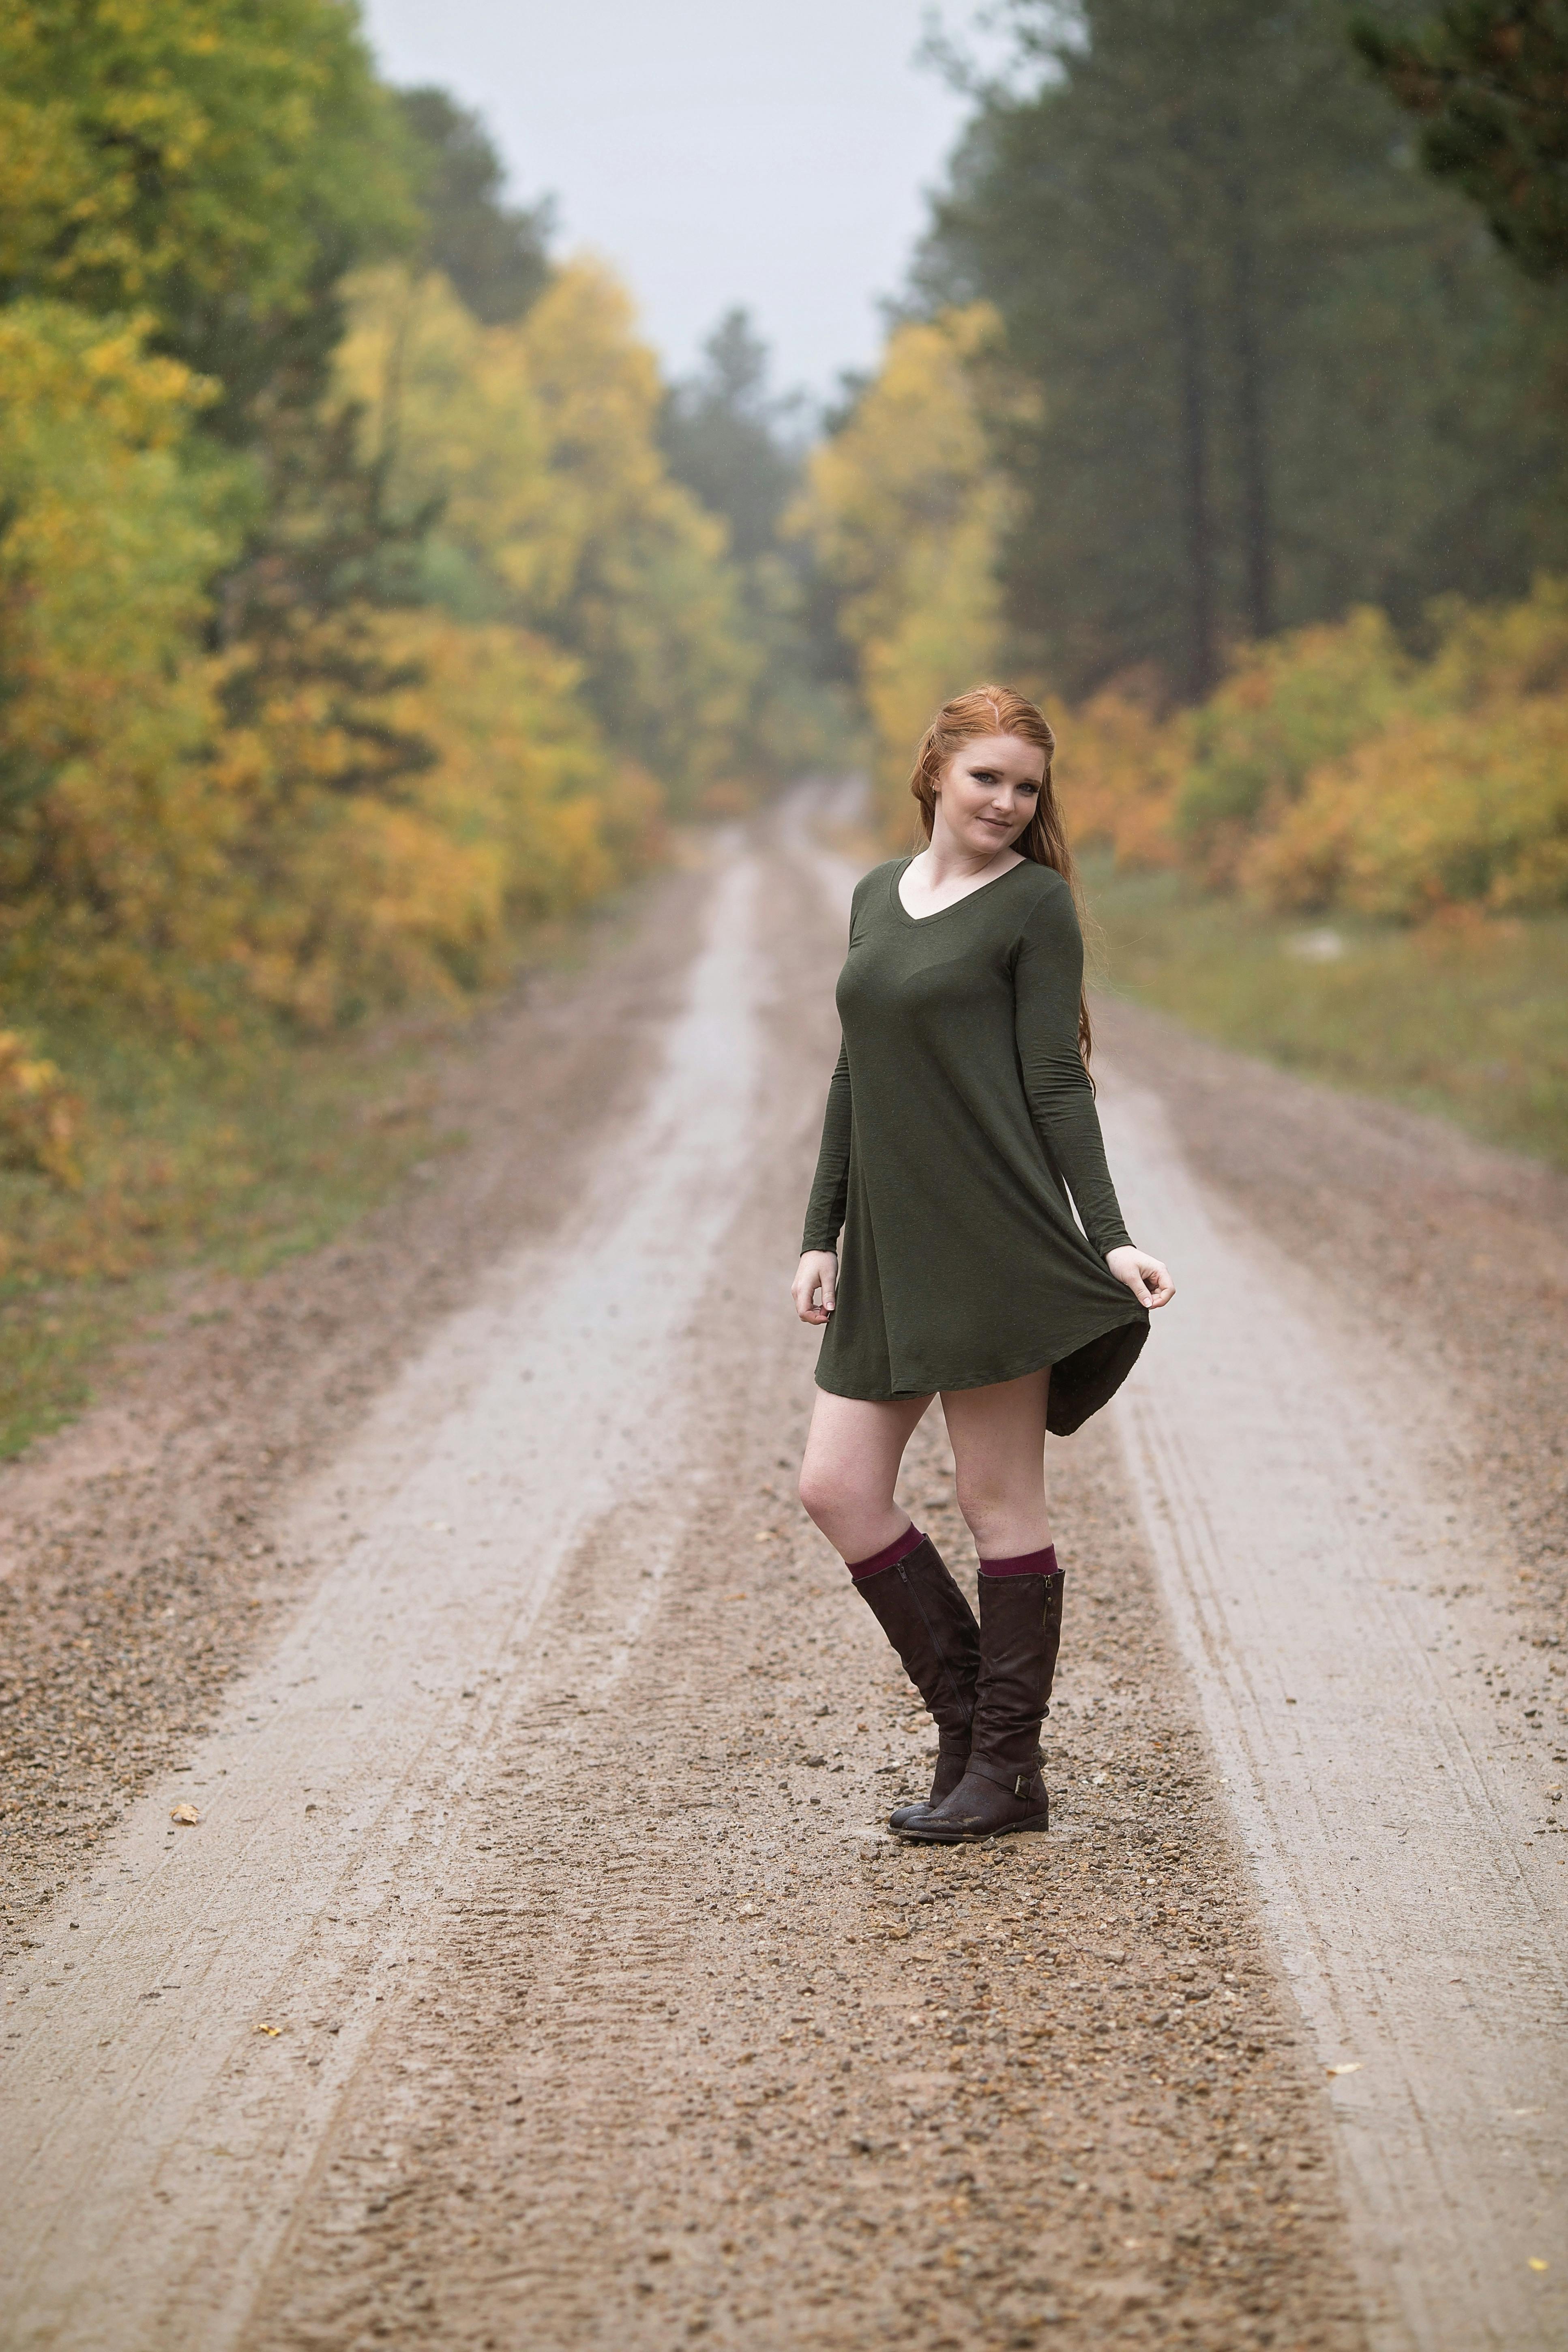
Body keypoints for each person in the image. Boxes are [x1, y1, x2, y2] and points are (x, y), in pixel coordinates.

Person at [792, 686, 1174, 1844]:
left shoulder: (1035, 906)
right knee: (836, 1489)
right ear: (934, 776)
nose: (1008, 802)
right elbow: (855, 1072)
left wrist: (1108, 1235)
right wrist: (820, 1233)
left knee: (996, 1497)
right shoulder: (873, 896)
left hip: (992, 1238)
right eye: (987, 779)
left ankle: (1000, 1768)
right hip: (892, 1250)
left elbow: (1056, 1079)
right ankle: (978, 1739)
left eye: (1026, 787)